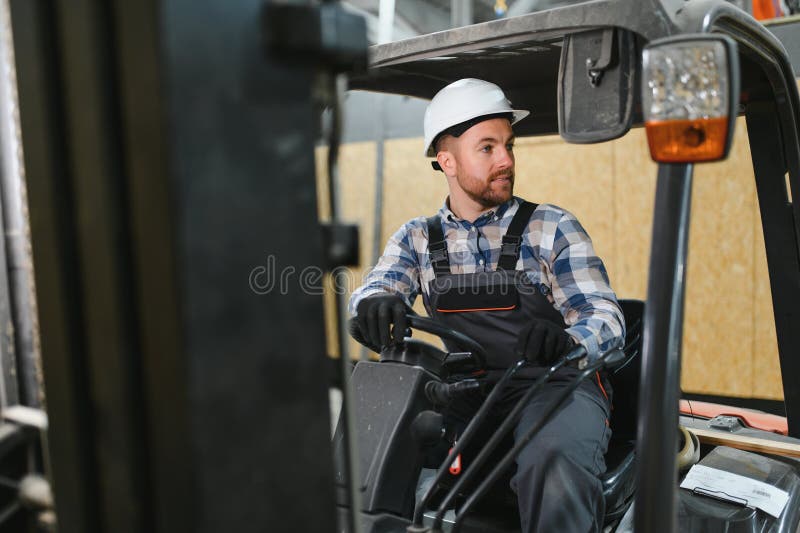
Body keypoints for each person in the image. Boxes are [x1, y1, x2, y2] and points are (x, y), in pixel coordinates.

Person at [348, 78, 625, 532]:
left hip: (552, 386)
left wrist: (569, 341)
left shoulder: (550, 227)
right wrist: (374, 303)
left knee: (551, 460)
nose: (507, 160)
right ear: (447, 161)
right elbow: (376, 289)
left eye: (509, 146)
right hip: (464, 393)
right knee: (370, 445)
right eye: (488, 148)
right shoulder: (418, 238)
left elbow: (604, 316)